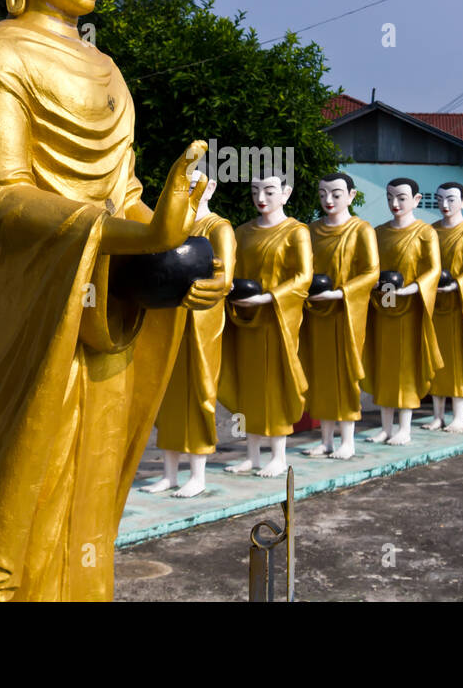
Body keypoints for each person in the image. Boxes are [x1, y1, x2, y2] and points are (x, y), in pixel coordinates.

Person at [0, 0, 227, 601]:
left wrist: (176, 236)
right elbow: (3, 199)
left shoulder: (109, 71)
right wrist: (136, 234)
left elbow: (125, 193)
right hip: (38, 312)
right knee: (25, 506)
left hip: (108, 314)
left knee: (91, 506)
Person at [142, 170, 236, 495]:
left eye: (197, 184)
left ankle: (198, 474)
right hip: (170, 317)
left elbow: (225, 279)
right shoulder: (170, 227)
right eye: (186, 186)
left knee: (199, 391)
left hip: (202, 320)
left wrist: (198, 287)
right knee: (167, 392)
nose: (191, 190)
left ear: (210, 187)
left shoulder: (218, 227)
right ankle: (169, 472)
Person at [220, 171, 313, 474]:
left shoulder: (296, 231)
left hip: (277, 320)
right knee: (248, 385)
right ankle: (252, 453)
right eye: (256, 191)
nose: (261, 199)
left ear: (285, 194)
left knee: (273, 384)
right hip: (245, 318)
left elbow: (303, 277)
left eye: (270, 192)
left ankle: (278, 454)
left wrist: (269, 298)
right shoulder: (242, 232)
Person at [300, 172, 378, 458]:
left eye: (335, 194)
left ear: (351, 195)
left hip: (347, 313)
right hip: (317, 311)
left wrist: (341, 293)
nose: (328, 200)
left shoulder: (361, 230)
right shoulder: (310, 231)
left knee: (344, 374)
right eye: (323, 194)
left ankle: (348, 440)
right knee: (319, 374)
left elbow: (371, 272)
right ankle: (326, 439)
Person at [363, 177, 442, 444]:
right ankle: (385, 426)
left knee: (405, 368)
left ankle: (405, 428)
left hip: (410, 308)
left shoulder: (425, 233)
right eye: (390, 198)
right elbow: (371, 267)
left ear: (416, 200)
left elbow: (433, 270)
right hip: (382, 307)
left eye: (401, 198)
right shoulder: (379, 232)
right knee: (385, 365)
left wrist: (413, 288)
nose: (394, 204)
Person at [427, 182, 463, 429]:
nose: (445, 205)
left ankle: (458, 416)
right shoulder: (431, 231)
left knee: (457, 359)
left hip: (460, 302)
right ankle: (437, 415)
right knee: (435, 359)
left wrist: (457, 284)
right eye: (440, 199)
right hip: (434, 303)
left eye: (451, 199)